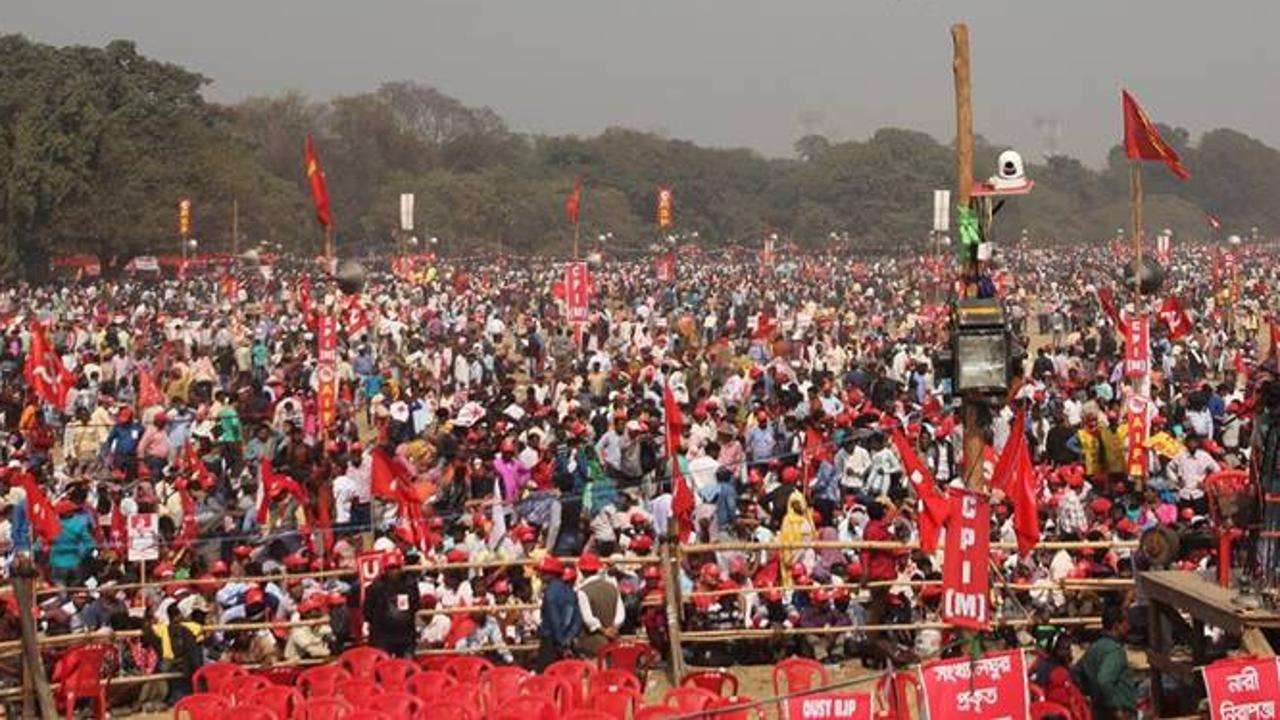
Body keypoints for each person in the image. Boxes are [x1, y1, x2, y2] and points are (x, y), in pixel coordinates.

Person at [1072, 604, 1138, 719]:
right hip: (1117, 713)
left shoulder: (1095, 647)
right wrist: (1116, 708)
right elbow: (1104, 680)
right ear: (1116, 625)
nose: (1128, 626)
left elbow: (1077, 673)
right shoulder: (1115, 651)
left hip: (1099, 711)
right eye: (1125, 622)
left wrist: (1091, 694)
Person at [363, 549, 420, 657]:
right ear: (384, 569)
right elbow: (367, 612)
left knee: (406, 664)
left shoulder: (410, 585)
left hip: (405, 634)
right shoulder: (375, 587)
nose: (394, 571)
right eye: (391, 568)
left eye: (397, 567)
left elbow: (416, 605)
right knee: (382, 663)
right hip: (382, 635)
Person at [534, 554, 581, 670]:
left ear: (551, 574)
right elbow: (576, 618)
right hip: (568, 639)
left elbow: (554, 620)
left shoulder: (550, 593)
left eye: (543, 572)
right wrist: (569, 638)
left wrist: (561, 642)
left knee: (546, 673)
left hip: (551, 641)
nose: (540, 575)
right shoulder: (570, 591)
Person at [574, 552, 624, 656]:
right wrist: (613, 628)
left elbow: (588, 619)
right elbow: (620, 614)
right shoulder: (613, 587)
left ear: (582, 571)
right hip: (613, 640)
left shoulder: (582, 592)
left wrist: (604, 631)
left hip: (592, 643)